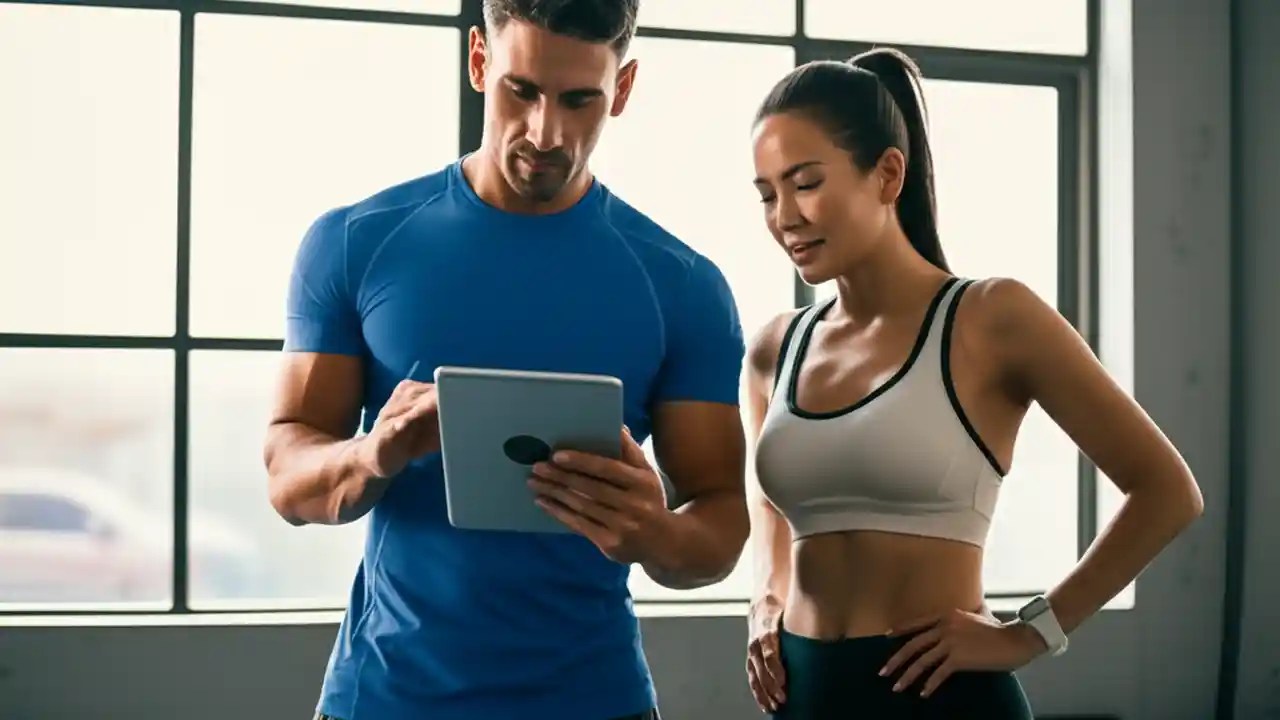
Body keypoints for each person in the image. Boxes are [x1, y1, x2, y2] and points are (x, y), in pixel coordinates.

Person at [262, 2, 751, 718]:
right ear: (479, 63)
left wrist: (657, 534)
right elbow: (287, 474)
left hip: (595, 700)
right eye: (521, 90)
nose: (545, 132)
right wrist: (373, 455)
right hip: (388, 699)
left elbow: (720, 520)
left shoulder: (681, 285)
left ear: (623, 89)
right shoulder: (356, 243)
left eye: (580, 99)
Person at [742, 48, 1205, 719]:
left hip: (943, 699)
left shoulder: (991, 318)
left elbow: (1168, 492)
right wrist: (764, 604)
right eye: (766, 193)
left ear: (887, 174)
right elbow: (767, 514)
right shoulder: (773, 350)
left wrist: (1031, 631)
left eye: (805, 182)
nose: (784, 216)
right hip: (803, 694)